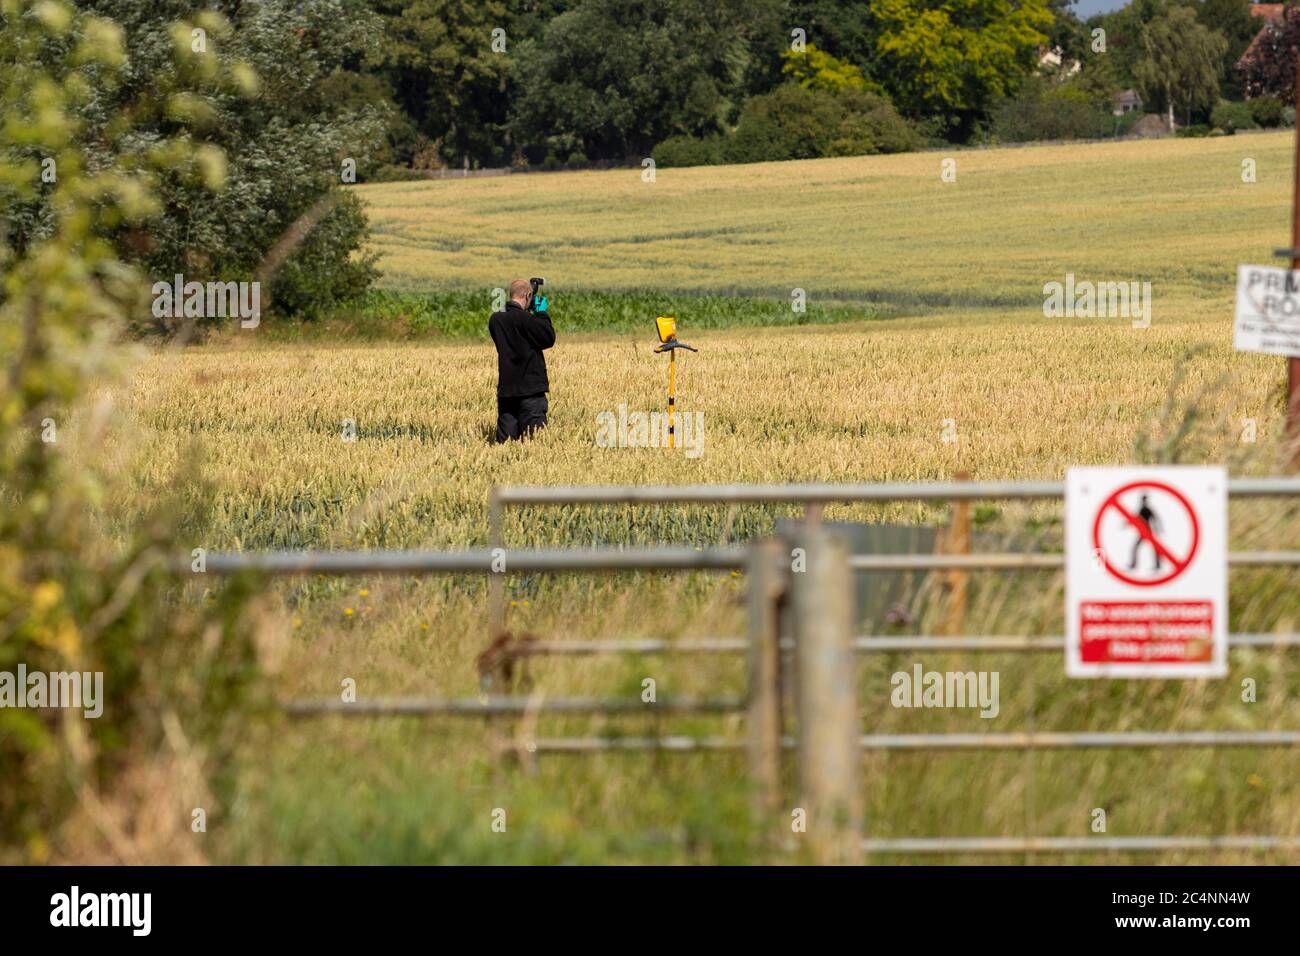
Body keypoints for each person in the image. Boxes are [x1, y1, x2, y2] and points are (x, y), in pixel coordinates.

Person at [489, 278, 555, 442]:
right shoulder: (528, 320)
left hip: (507, 392)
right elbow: (548, 338)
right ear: (527, 295)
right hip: (531, 391)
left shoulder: (496, 320)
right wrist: (541, 312)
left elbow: (510, 319)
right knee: (535, 442)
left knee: (506, 444)